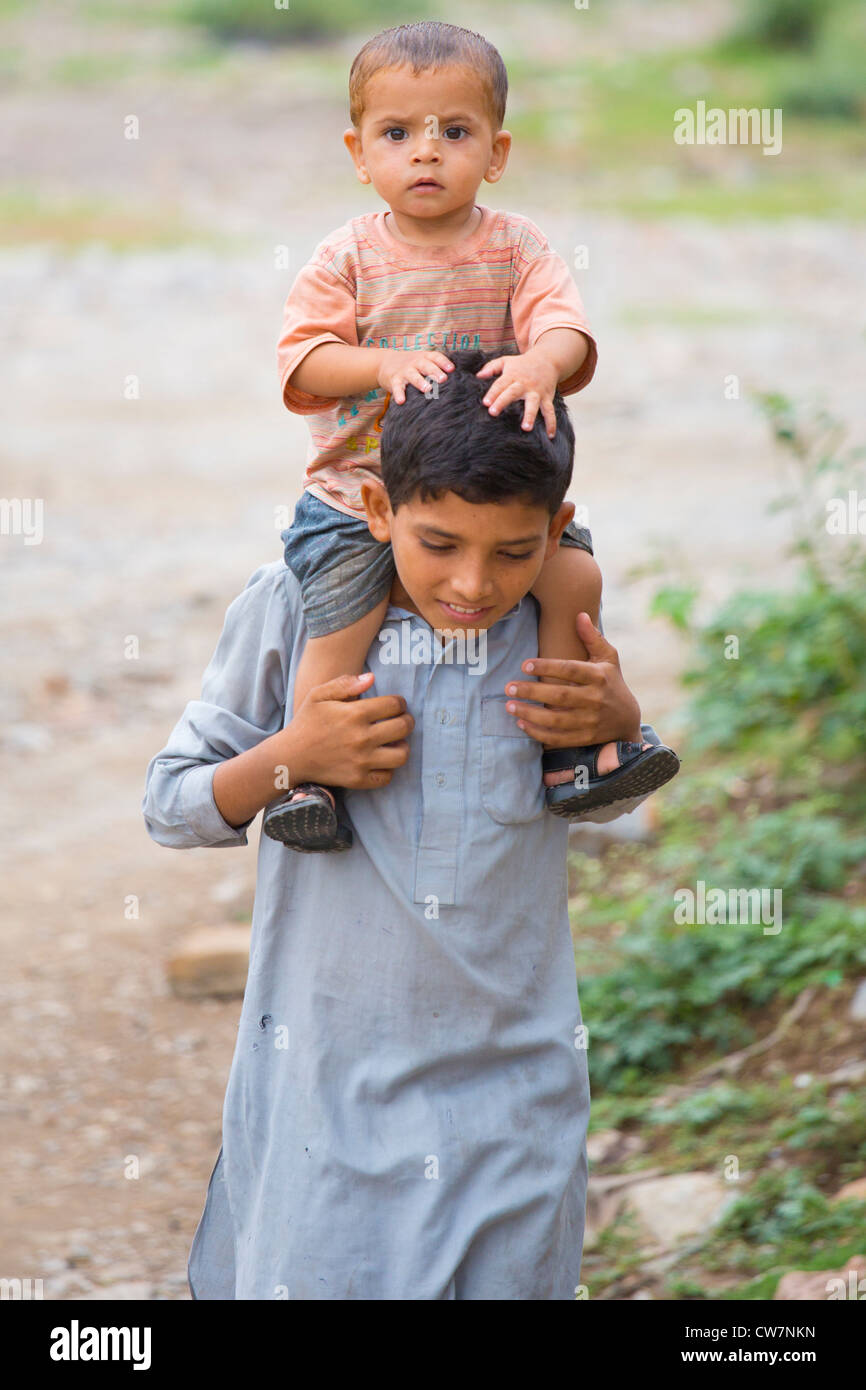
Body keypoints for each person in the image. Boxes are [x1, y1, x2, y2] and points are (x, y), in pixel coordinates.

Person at [142, 351, 665, 1300]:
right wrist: (293, 757)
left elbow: (610, 793)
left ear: (557, 531)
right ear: (380, 511)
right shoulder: (297, 610)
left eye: (513, 553)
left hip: (518, 1099)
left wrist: (622, 725)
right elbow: (170, 802)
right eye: (437, 543)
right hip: (325, 1097)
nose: (473, 584)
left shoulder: (549, 627)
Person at [262, 18, 677, 852]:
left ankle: (569, 748)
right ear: (358, 153)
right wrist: (378, 366)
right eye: (397, 133)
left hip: (492, 491)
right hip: (362, 492)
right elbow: (304, 363)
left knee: (575, 576)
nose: (425, 152)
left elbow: (568, 330)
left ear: (496, 152)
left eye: (454, 132)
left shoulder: (518, 248)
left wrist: (541, 367)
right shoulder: (345, 257)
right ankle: (307, 776)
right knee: (338, 618)